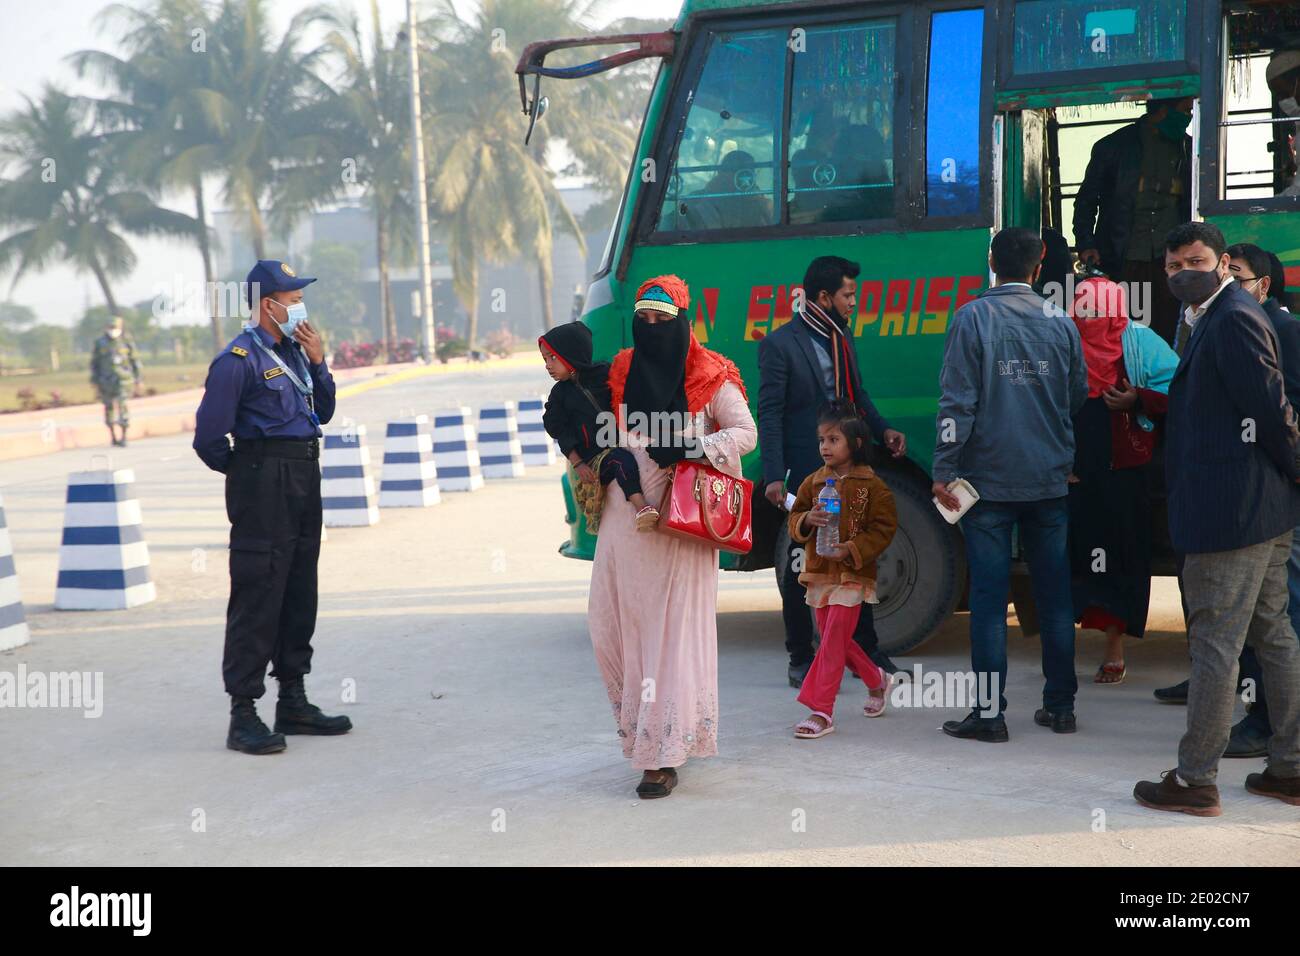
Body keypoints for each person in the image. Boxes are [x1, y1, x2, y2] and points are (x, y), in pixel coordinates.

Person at [1133, 222, 1300, 815]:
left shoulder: (1230, 317)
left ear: (1223, 261)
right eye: (1174, 264)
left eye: (1196, 261)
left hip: (1232, 512)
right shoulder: (1206, 315)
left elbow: (1271, 407)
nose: (1184, 272)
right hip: (1257, 508)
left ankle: (1196, 779)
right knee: (1273, 636)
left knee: (1215, 646)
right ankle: (1289, 769)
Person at [586, 275, 757, 798]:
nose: (654, 329)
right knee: (610, 624)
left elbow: (746, 434)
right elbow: (604, 434)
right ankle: (641, 736)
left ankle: (660, 756)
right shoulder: (620, 371)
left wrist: (690, 447)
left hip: (679, 527)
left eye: (664, 320)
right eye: (645, 320)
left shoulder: (711, 373)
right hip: (625, 521)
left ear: (683, 322)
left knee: (666, 638)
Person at [932, 227, 1088, 742]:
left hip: (989, 483)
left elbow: (958, 403)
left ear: (992, 263)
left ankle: (990, 716)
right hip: (1048, 480)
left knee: (991, 601)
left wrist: (943, 469)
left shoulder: (972, 317)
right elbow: (1077, 396)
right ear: (1039, 267)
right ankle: (1061, 709)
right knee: (1055, 597)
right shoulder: (1060, 320)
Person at [193, 259, 351, 755]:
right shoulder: (237, 360)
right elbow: (209, 438)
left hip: (305, 472)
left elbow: (322, 411)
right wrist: (249, 474)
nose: (299, 305)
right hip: (265, 478)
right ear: (269, 305)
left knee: (299, 586)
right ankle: (243, 712)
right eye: (292, 298)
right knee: (259, 590)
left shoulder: (298, 353)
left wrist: (321, 361)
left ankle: (294, 699)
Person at [757, 255, 907, 688]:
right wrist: (772, 476)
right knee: (800, 562)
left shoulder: (842, 339)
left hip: (852, 471)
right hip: (808, 471)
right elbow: (769, 414)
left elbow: (857, 395)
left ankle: (868, 654)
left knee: (857, 562)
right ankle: (800, 656)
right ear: (824, 297)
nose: (853, 302)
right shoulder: (780, 345)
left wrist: (883, 430)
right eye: (848, 294)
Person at [1066, 276, 1178, 685]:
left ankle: (1115, 647)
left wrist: (1138, 399)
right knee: (1074, 553)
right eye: (1083, 309)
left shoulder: (1140, 341)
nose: (1089, 317)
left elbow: (1181, 386)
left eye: (1097, 309)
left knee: (1123, 553)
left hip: (1125, 470)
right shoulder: (1063, 340)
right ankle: (1063, 649)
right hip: (1073, 471)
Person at [1222, 242, 1300, 758]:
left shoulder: (1282, 330)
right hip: (1253, 490)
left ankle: (1270, 724)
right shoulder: (1231, 320)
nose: (1225, 282)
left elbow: (1282, 412)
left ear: (1263, 285)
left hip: (1276, 493)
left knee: (1279, 614)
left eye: (1236, 274)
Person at [788, 400, 897, 739]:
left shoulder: (873, 486)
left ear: (856, 444)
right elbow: (795, 519)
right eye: (822, 439)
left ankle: (821, 709)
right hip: (820, 572)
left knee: (833, 639)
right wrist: (806, 520)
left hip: (853, 573)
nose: (825, 447)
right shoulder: (813, 483)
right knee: (837, 638)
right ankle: (878, 681)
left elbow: (884, 528)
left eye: (834, 439)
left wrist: (850, 549)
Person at [1074, 97, 1194, 344]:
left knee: (1170, 326)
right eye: (1185, 110)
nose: (1189, 116)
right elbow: (1086, 200)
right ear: (1163, 110)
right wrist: (1086, 243)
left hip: (1169, 257)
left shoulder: (1190, 148)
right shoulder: (1112, 146)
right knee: (1126, 328)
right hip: (1124, 254)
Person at [538, 322, 656, 532]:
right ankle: (642, 508)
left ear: (572, 354)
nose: (548, 365)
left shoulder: (605, 373)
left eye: (553, 357)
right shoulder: (559, 395)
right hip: (594, 459)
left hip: (624, 441)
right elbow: (560, 431)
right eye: (545, 359)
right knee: (622, 460)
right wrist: (578, 463)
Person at [90, 316, 141, 447]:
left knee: (123, 405)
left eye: (115, 327)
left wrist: (138, 379)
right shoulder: (100, 343)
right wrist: (94, 381)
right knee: (109, 408)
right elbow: (94, 363)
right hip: (105, 382)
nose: (113, 330)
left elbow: (135, 361)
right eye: (111, 327)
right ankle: (113, 436)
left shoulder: (126, 342)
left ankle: (124, 436)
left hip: (123, 381)